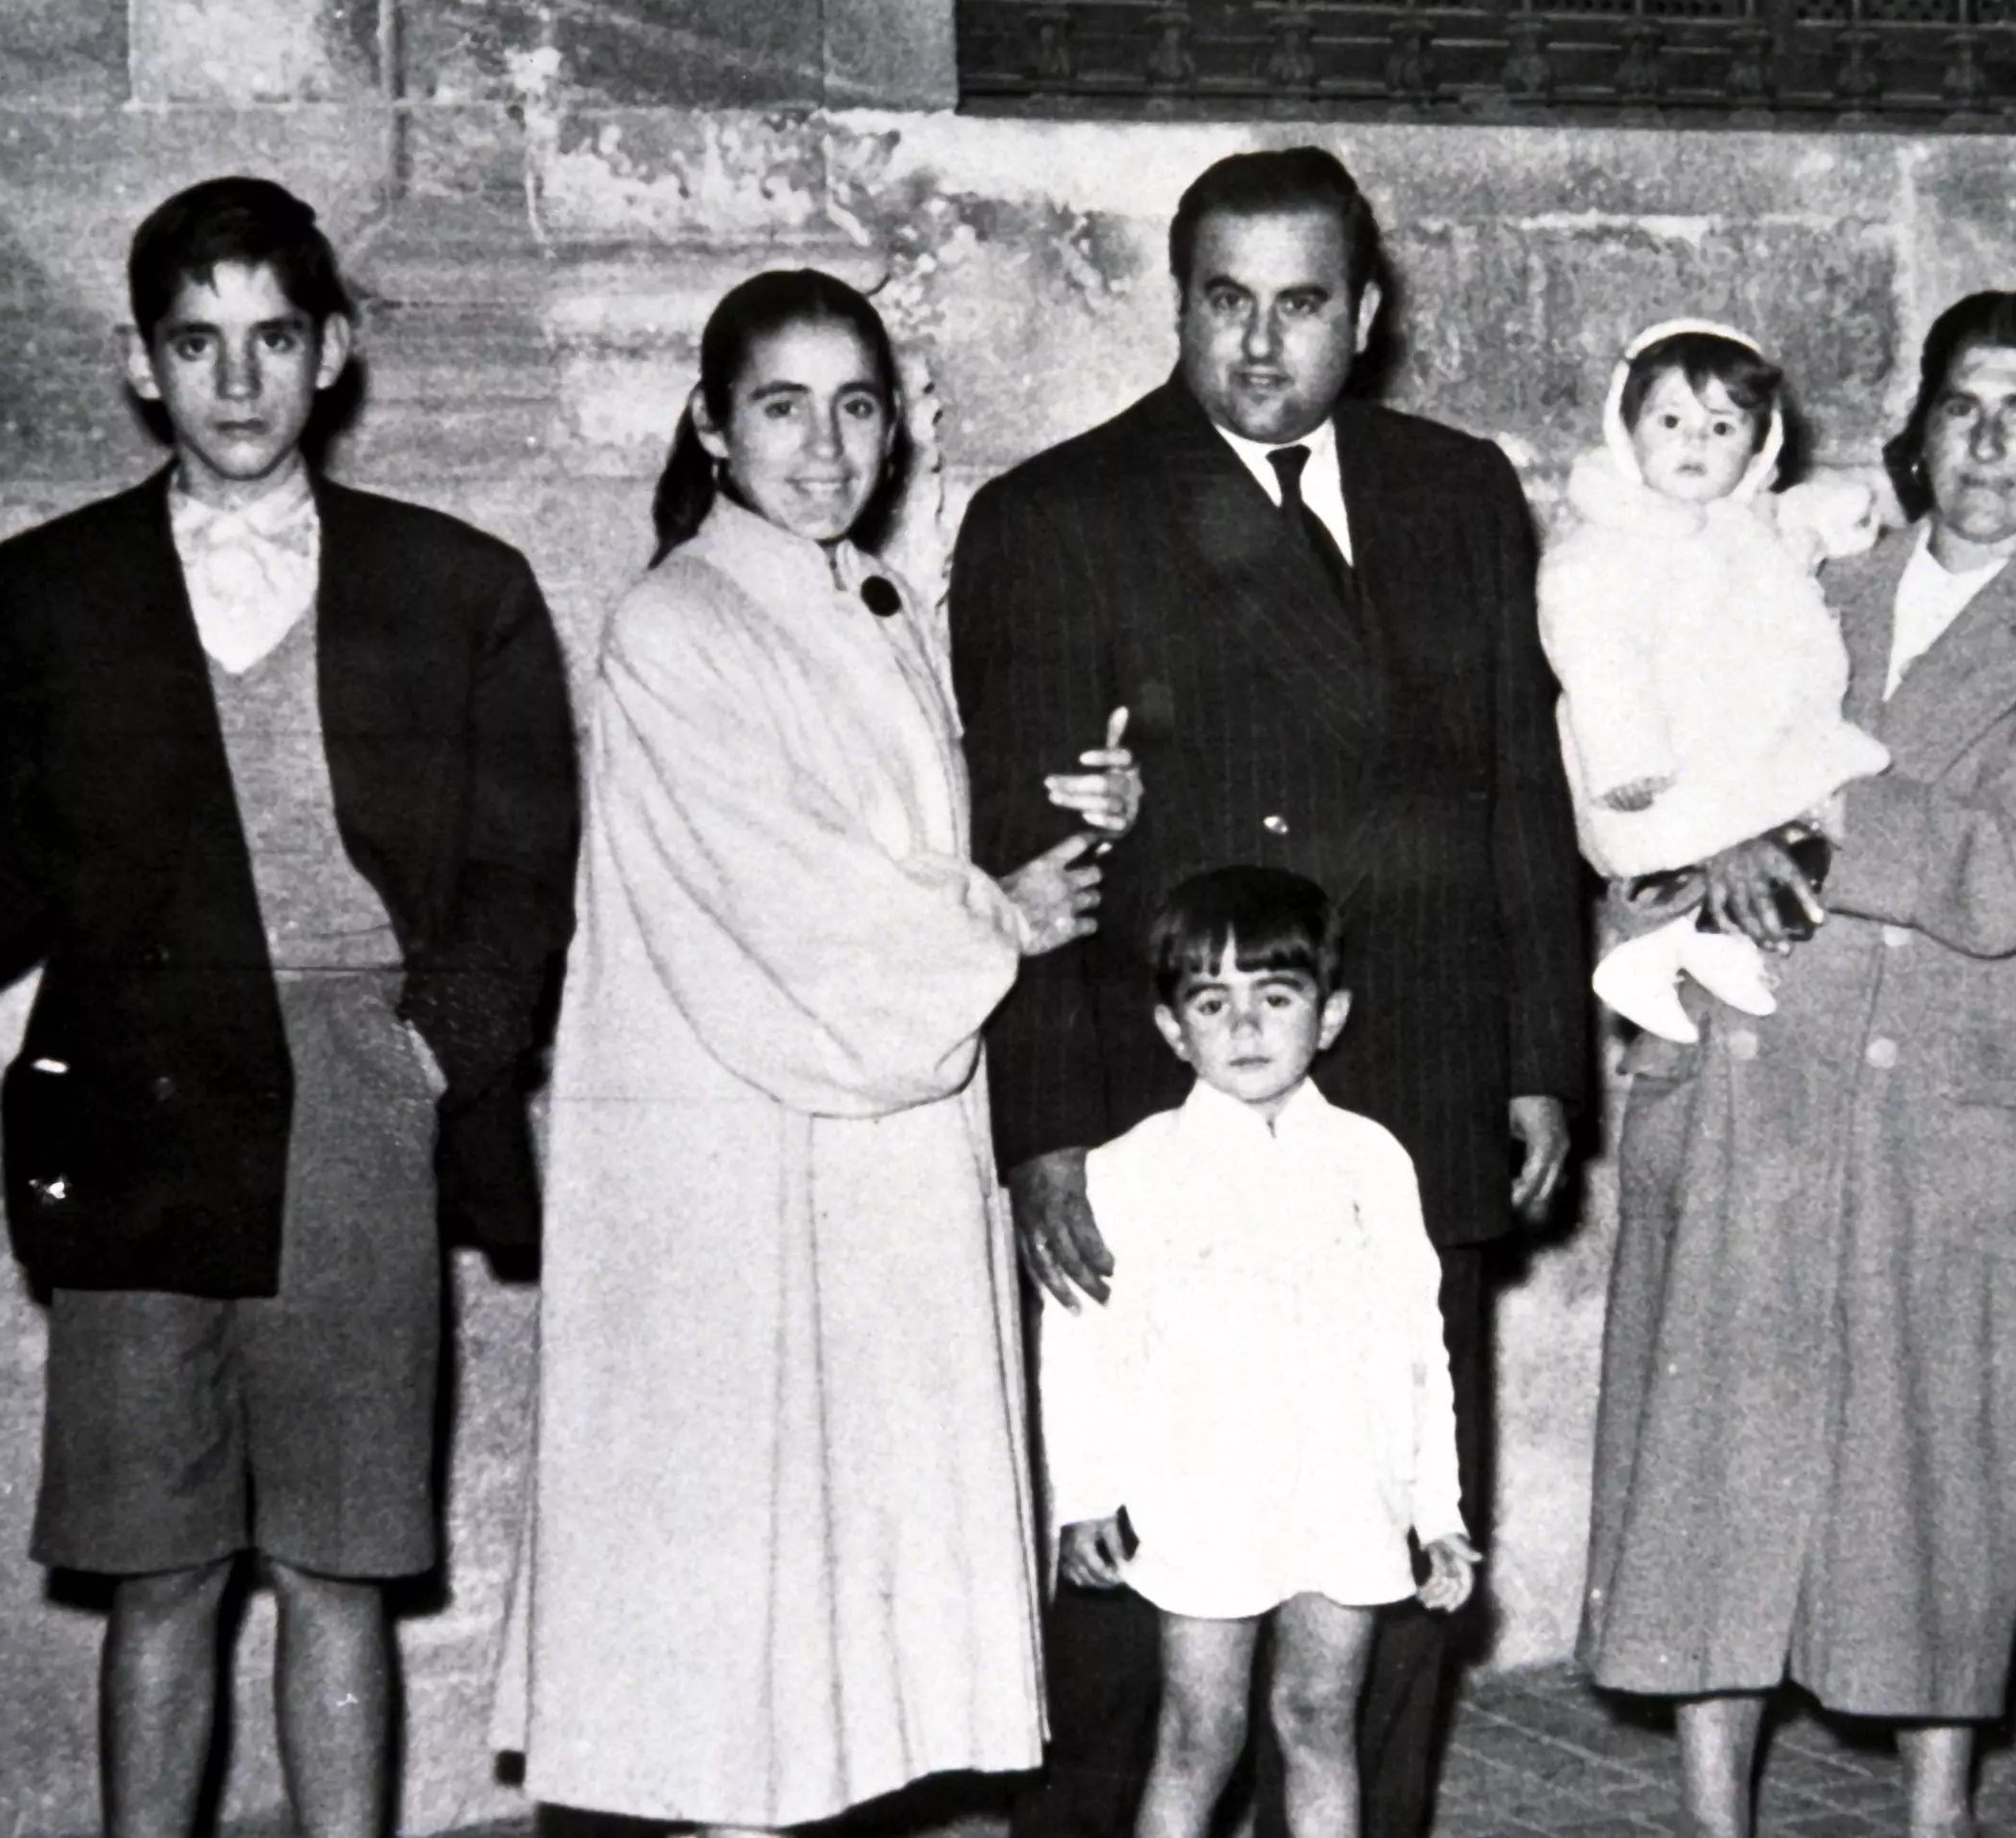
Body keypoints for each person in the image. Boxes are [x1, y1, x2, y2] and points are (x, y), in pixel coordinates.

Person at [0, 177, 579, 1838]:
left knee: (335, 1562)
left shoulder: (458, 587)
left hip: (359, 1110)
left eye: (274, 339)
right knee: (160, 1569)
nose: (239, 383)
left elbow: (527, 873)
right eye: (197, 342)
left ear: (336, 353)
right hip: (135, 1101)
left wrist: (430, 1048)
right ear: (140, 364)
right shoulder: (41, 592)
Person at [953, 145, 1588, 1838]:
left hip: (1418, 1068)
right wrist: (1051, 1137)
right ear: (1179, 306)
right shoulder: (1053, 518)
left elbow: (1521, 787)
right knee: (1141, 1581)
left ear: (1364, 317)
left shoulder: (1458, 496)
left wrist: (1538, 1053)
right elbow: (1021, 870)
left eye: (1299, 303)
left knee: (1373, 1558)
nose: (1257, 343)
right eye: (1223, 301)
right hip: (1160, 1116)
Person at [496, 267, 1137, 1827]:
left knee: (842, 1612)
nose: (826, 443)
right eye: (783, 405)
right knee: (745, 1592)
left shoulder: (871, 598)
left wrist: (1062, 823)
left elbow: (902, 836)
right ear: (712, 424)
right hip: (740, 1146)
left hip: (875, 1145)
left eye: (856, 405)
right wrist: (1000, 916)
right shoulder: (673, 618)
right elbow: (785, 890)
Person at [1578, 289, 2016, 1838]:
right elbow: (1655, 768)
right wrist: (1685, 869)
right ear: (1913, 438)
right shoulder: (1802, 586)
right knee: (1721, 1445)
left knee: (1939, 1467)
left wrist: (1820, 819)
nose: (1988, 442)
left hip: (1959, 1086)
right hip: (1764, 1064)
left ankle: (1936, 1812)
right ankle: (1717, 1810)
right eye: (1961, 408)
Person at [1040, 866, 1478, 1838]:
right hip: (1204, 1500)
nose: (1245, 1027)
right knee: (1203, 1730)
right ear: (1170, 1026)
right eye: (1213, 1000)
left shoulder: (1373, 1158)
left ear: (1329, 1016)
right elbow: (1084, 1350)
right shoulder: (1133, 1168)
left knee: (1319, 1717)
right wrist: (1085, 1495)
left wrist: (1436, 1508)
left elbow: (1418, 1344)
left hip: (1347, 1496)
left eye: (1275, 998)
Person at [1537, 317, 1888, 1043]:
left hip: (1733, 739)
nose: (1694, 443)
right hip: (1657, 755)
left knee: (1795, 821)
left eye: (1724, 429)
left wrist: (1834, 513)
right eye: (1670, 420)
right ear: (1626, 428)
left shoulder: (1742, 525)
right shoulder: (1603, 546)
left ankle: (1704, 944)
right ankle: (1645, 953)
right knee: (1694, 837)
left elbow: (1793, 531)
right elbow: (1595, 650)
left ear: (1761, 448)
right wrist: (1627, 753)